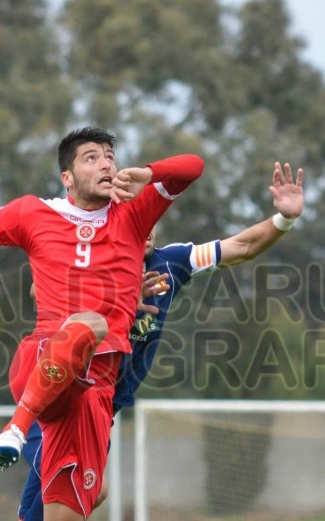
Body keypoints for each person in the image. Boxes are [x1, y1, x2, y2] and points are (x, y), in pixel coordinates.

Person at [0, 127, 203, 521]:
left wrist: (149, 173)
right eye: (91, 158)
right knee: (90, 323)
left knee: (73, 508)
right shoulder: (32, 213)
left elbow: (193, 167)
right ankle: (15, 428)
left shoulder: (133, 213)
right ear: (67, 176)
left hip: (96, 389)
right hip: (41, 360)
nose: (106, 164)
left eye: (109, 156)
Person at [17, 162, 305, 521]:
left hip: (101, 412)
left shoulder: (172, 263)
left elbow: (242, 247)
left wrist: (285, 220)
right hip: (58, 402)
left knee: (44, 512)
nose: (145, 222)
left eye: (146, 210)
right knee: (90, 492)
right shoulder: (88, 254)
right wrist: (115, 294)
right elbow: (38, 290)